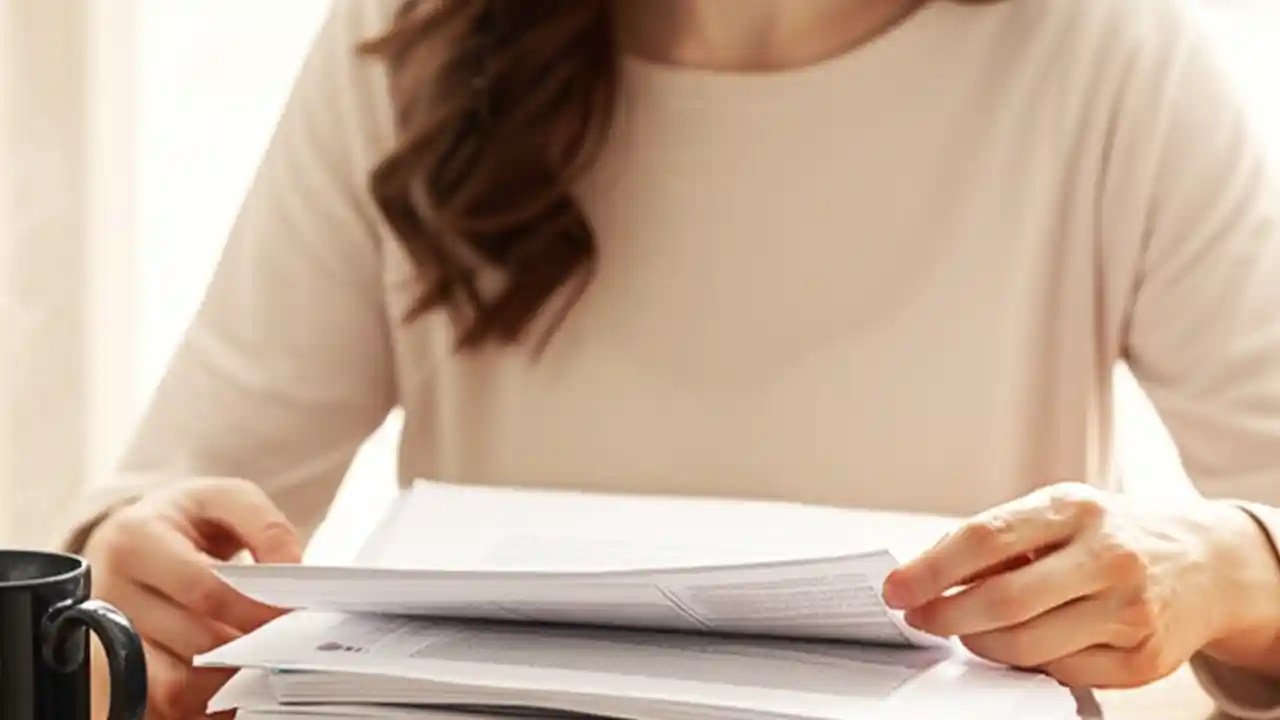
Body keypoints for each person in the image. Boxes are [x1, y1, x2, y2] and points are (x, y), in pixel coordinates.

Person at [62, 0, 1280, 717]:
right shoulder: (416, 41)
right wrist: (133, 566)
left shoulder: (1108, 55)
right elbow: (180, 510)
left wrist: (1230, 558)